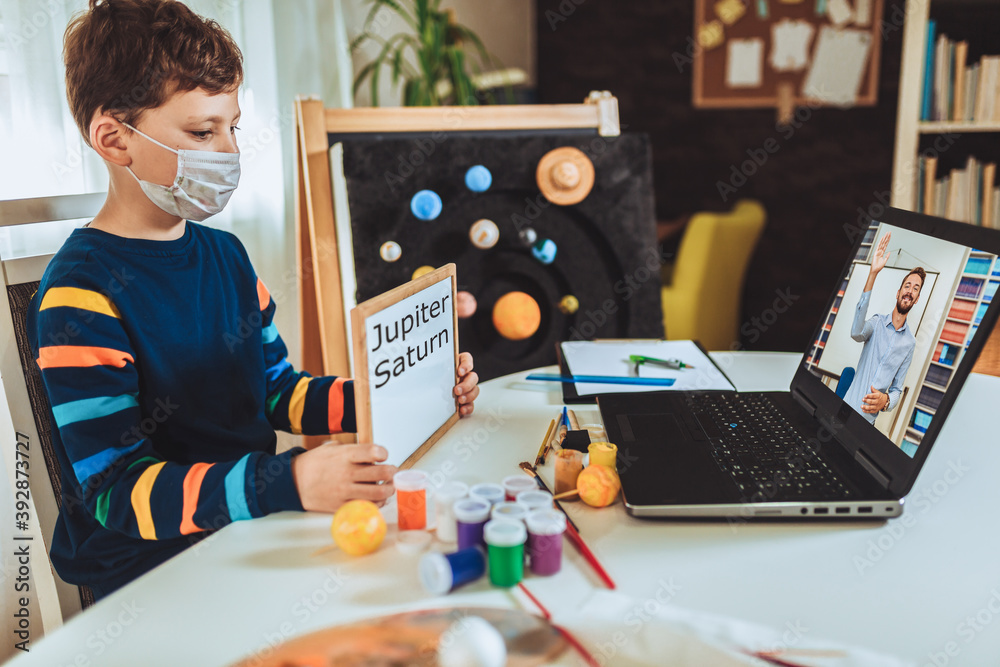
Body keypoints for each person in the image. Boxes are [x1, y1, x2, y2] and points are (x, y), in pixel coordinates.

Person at [27, 0, 479, 600]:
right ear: (114, 138)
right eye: (200, 131)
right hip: (151, 576)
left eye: (231, 126)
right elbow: (117, 492)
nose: (227, 150)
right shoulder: (79, 294)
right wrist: (284, 482)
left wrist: (396, 390)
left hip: (250, 531)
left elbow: (276, 392)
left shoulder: (228, 257)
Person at [842, 232, 924, 425]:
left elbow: (897, 390)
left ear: (917, 298)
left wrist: (886, 401)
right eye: (907, 286)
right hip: (845, 411)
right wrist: (873, 273)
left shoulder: (909, 343)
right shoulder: (877, 323)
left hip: (867, 423)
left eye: (915, 288)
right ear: (898, 292)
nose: (910, 291)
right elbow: (856, 332)